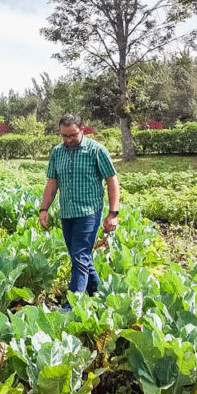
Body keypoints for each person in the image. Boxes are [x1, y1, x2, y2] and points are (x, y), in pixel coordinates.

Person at [39, 114, 120, 296]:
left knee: (80, 257)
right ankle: (99, 295)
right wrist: (44, 209)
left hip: (89, 212)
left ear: (82, 129)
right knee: (81, 258)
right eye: (64, 136)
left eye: (73, 135)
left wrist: (113, 213)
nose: (69, 140)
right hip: (67, 213)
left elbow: (112, 180)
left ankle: (72, 305)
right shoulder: (57, 152)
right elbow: (52, 182)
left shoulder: (96, 151)